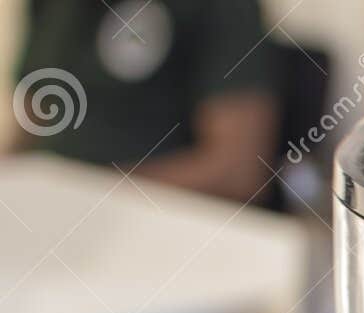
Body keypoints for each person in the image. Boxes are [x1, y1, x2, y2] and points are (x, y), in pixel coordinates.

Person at [8, 0, 279, 204]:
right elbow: (33, 123)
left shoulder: (222, 8)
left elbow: (237, 173)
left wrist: (90, 195)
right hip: (50, 209)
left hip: (151, 222)